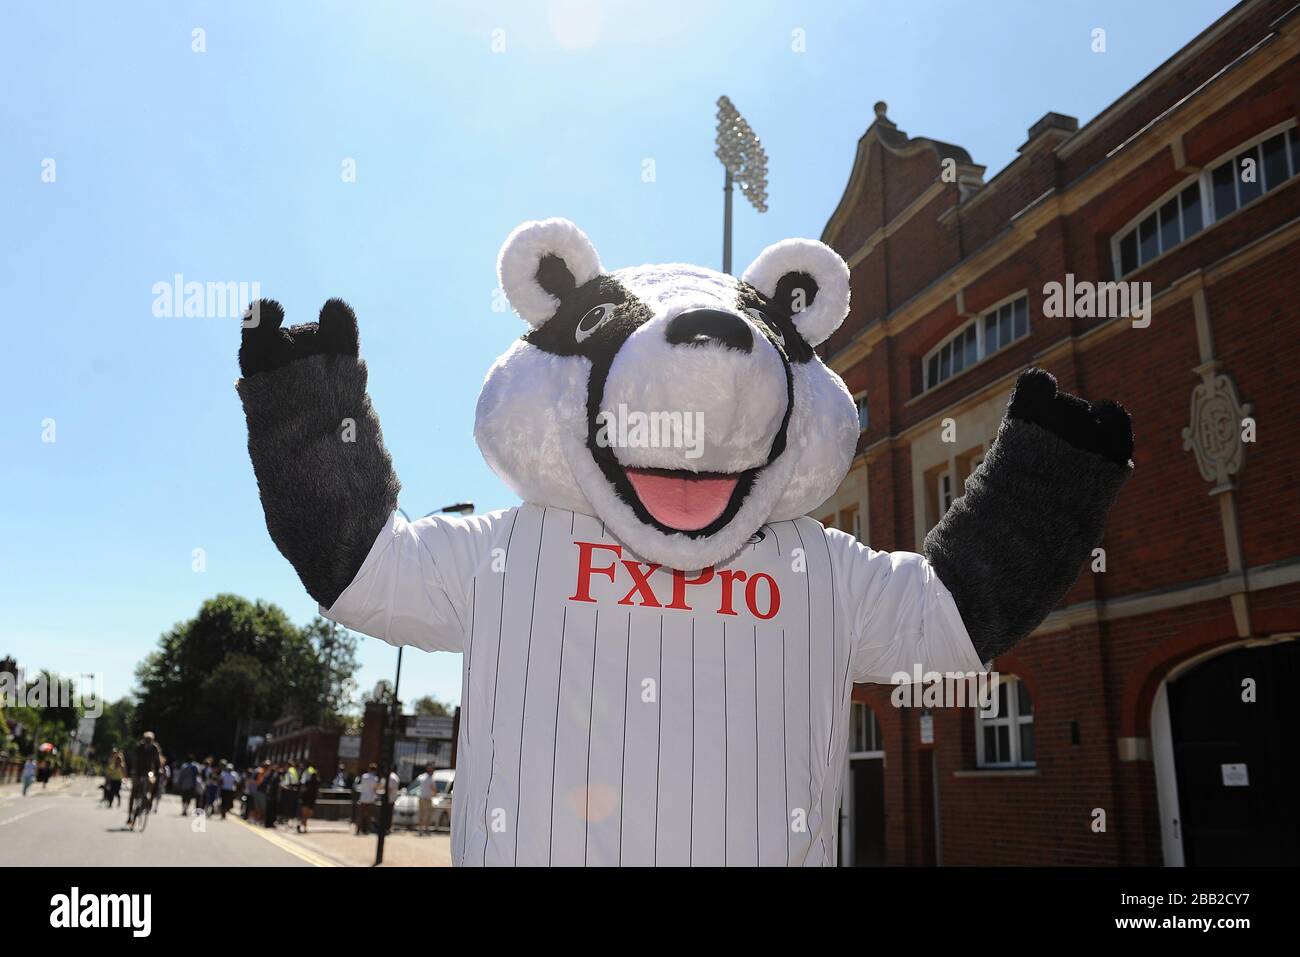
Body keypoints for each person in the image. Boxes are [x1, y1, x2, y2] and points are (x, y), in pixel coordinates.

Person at [126, 732, 162, 827]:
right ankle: (130, 815)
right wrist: (133, 771)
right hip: (138, 770)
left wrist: (159, 769)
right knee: (134, 791)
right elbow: (133, 759)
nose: (148, 742)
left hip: (148, 771)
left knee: (152, 780)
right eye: (147, 740)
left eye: (150, 740)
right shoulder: (138, 747)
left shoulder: (154, 748)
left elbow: (157, 760)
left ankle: (148, 795)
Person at [355, 763, 378, 835]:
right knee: (369, 816)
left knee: (361, 815)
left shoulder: (364, 776)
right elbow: (375, 789)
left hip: (363, 798)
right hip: (370, 799)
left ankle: (358, 830)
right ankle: (367, 830)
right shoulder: (375, 778)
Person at [415, 764, 437, 836]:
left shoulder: (421, 777)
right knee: (427, 815)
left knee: (421, 815)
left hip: (421, 798)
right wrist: (435, 794)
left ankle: (420, 830)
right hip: (427, 799)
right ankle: (426, 829)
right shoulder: (431, 779)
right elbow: (433, 789)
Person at [297, 764, 319, 833]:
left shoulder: (315, 782)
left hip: (309, 799)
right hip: (308, 799)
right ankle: (304, 827)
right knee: (305, 814)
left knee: (307, 814)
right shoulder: (310, 782)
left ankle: (301, 825)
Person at [262, 764, 281, 828]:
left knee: (268, 810)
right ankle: (270, 823)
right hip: (273, 796)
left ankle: (267, 823)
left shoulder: (268, 776)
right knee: (272, 811)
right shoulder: (276, 777)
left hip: (269, 796)